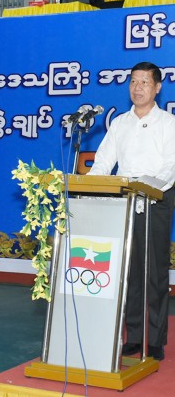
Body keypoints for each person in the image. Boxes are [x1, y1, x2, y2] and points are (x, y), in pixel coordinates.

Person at [88, 62, 175, 361]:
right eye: (133, 82)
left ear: (158, 87)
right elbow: (102, 162)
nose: (138, 88)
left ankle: (156, 339)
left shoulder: (169, 124)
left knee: (155, 274)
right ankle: (134, 337)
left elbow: (170, 166)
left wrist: (147, 188)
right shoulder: (120, 123)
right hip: (122, 204)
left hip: (156, 201)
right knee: (129, 275)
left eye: (145, 82)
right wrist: (89, 187)